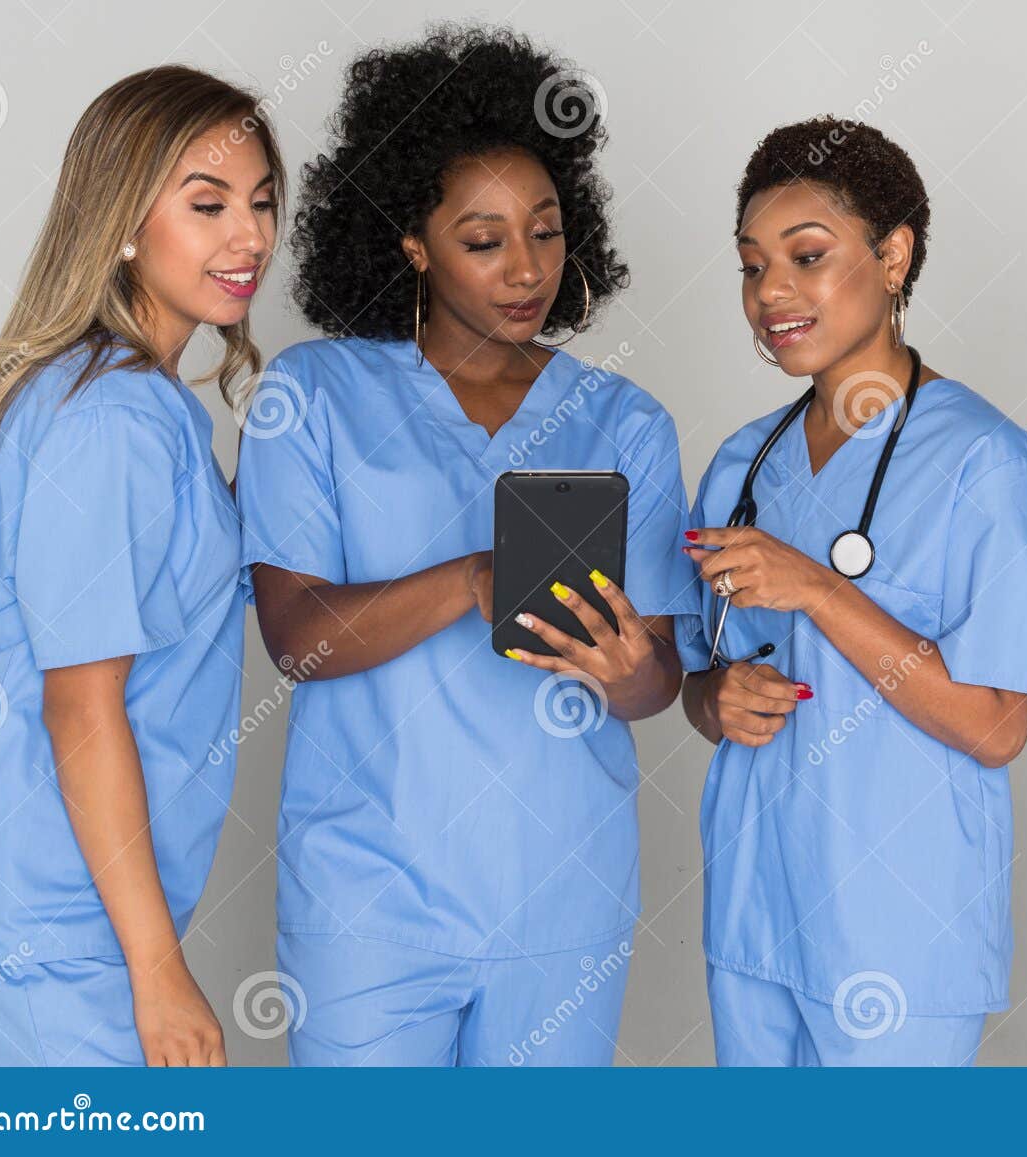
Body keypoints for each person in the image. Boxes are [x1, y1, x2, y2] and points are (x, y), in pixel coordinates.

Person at [235, 24, 692, 1066]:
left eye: (544, 230)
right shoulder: (312, 395)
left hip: (561, 890)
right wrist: (477, 576)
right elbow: (296, 636)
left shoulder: (625, 421)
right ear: (412, 242)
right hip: (367, 897)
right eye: (483, 240)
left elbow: (658, 674)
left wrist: (631, 670)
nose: (525, 268)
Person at [677, 117, 1027, 1066]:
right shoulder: (742, 460)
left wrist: (819, 589)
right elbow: (697, 679)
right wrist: (713, 699)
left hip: (900, 936)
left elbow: (998, 725)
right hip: (755, 920)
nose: (771, 293)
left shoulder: (988, 463)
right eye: (750, 265)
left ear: (894, 256)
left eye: (807, 257)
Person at [0, 66, 283, 1065]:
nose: (248, 234)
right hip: (52, 896)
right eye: (206, 204)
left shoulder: (101, 389)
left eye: (259, 202)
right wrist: (159, 967)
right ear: (122, 218)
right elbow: (81, 704)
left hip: (26, 869)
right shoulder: (116, 417)